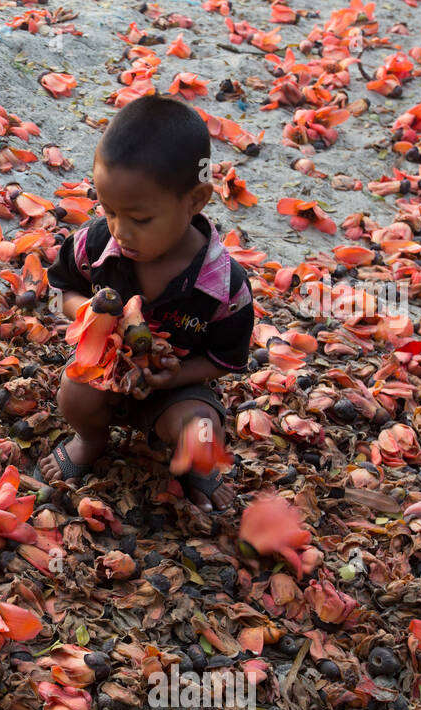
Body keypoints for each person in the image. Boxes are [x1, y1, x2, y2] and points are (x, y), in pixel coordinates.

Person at [37, 94, 255, 513]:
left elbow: (227, 359)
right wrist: (89, 312)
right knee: (73, 393)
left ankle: (196, 468)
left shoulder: (224, 285)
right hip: (102, 372)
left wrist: (170, 377)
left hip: (174, 391)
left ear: (195, 201)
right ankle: (90, 440)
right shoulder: (95, 242)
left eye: (139, 219)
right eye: (109, 210)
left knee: (202, 429)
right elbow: (61, 289)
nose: (120, 231)